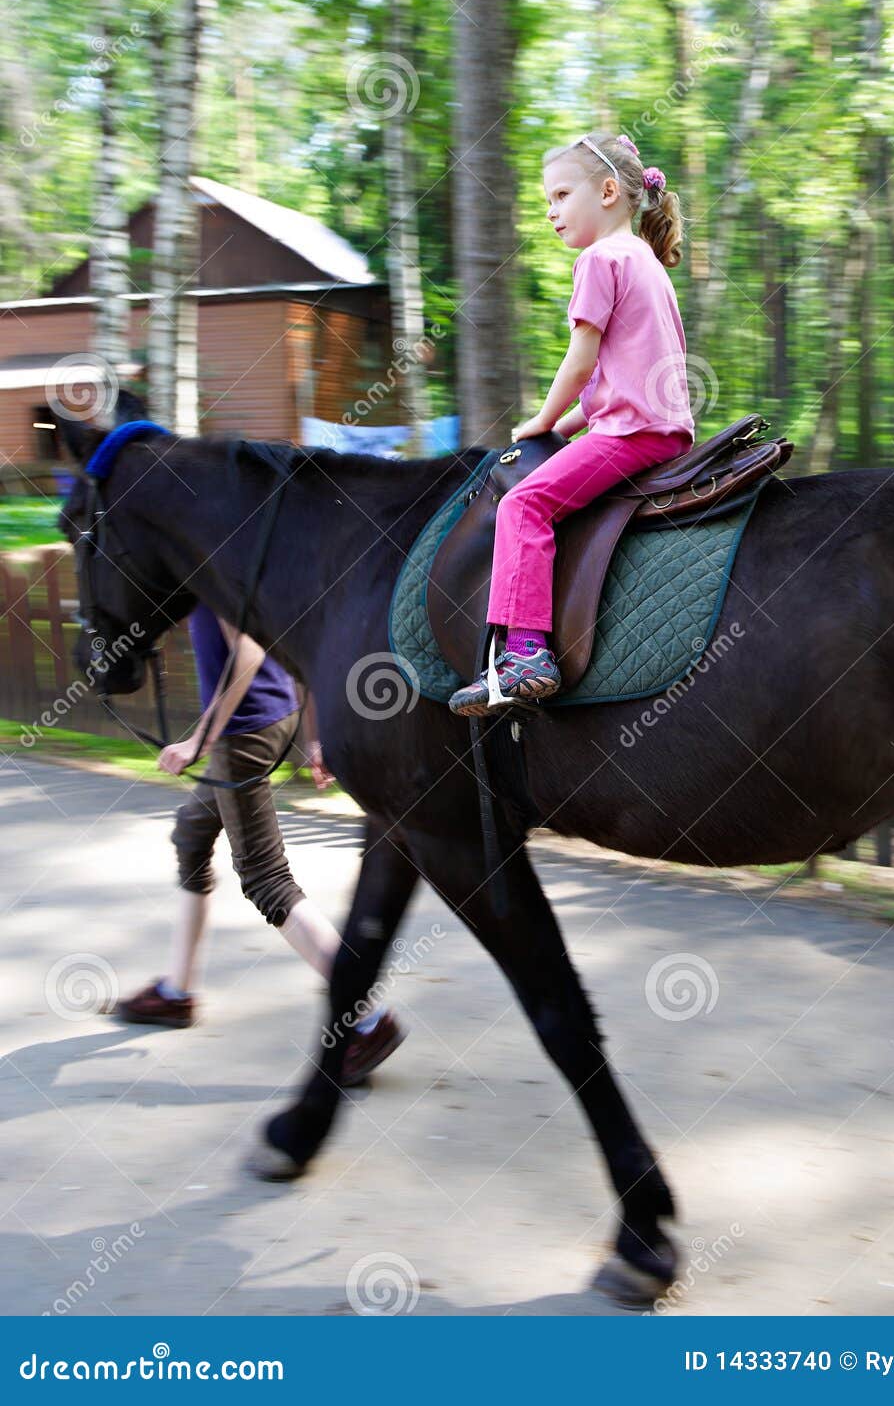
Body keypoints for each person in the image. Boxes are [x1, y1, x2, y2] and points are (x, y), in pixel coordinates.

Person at [449, 131, 695, 716]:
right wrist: (563, 429)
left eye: (561, 196)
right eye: (548, 201)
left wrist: (541, 418)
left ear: (608, 192)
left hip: (629, 436)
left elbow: (580, 362)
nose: (551, 212)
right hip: (659, 429)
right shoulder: (646, 262)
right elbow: (614, 381)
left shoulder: (599, 259)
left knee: (523, 504)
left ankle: (526, 656)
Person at [115, 604, 404, 1086]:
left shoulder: (213, 564)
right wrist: (313, 736)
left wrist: (198, 741)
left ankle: (367, 1020)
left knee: (267, 880)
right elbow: (294, 640)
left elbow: (247, 652)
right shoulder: (241, 561)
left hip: (243, 733)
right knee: (192, 831)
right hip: (272, 717)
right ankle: (176, 992)